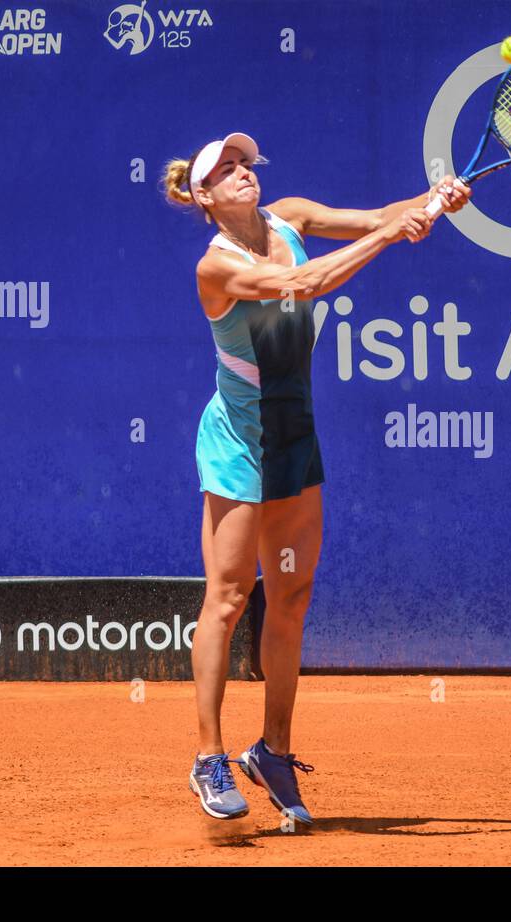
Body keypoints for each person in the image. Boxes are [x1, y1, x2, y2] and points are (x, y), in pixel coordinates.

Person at [162, 132, 471, 825]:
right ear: (203, 197)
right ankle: (209, 757)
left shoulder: (292, 217)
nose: (242, 174)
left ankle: (273, 750)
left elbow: (375, 216)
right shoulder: (216, 268)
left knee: (292, 598)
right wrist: (395, 235)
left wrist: (433, 202)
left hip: (296, 441)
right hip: (241, 447)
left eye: (246, 163)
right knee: (229, 597)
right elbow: (303, 283)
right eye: (225, 171)